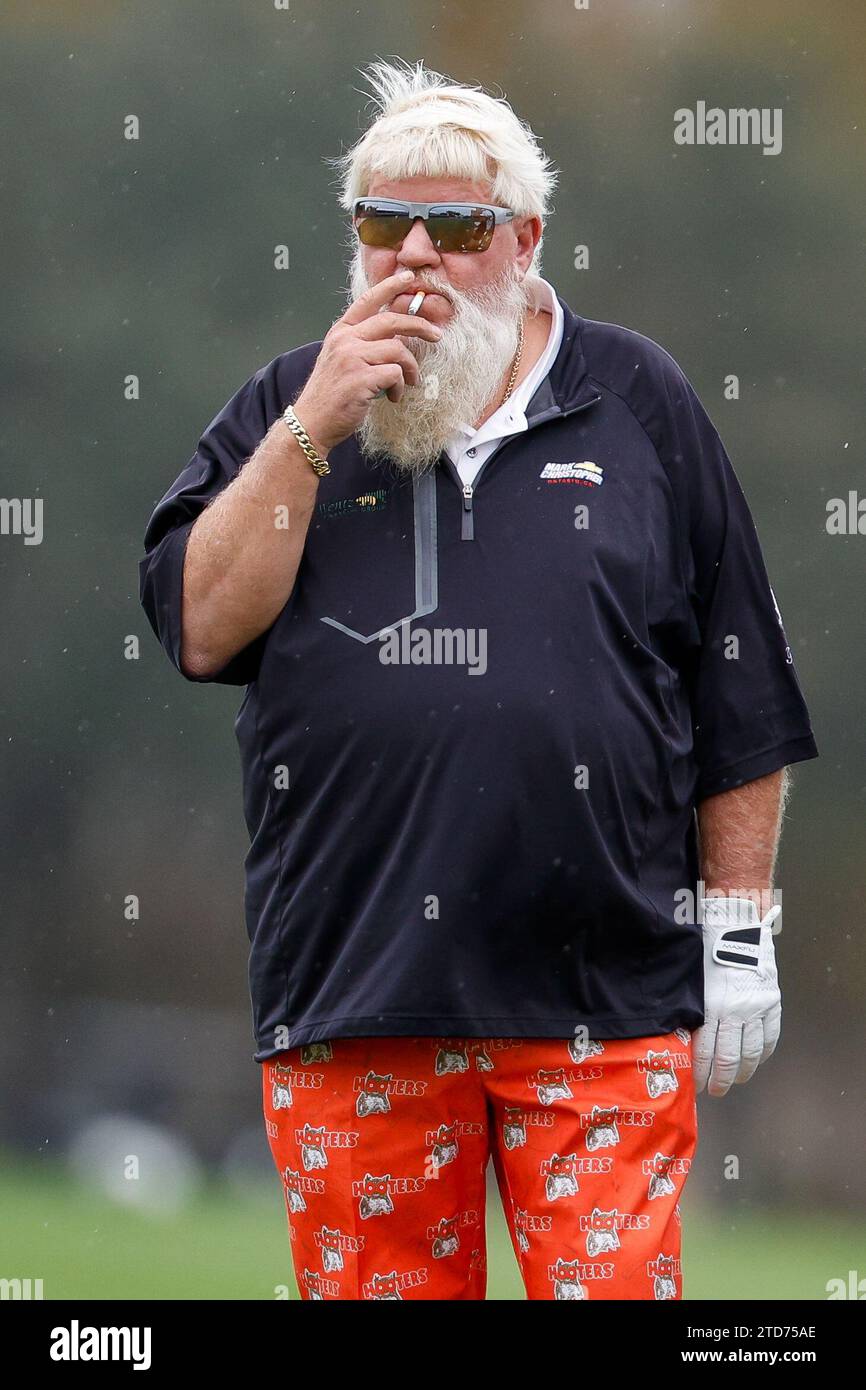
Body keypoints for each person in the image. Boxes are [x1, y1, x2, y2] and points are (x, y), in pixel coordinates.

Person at [138, 58, 818, 1300]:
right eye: (380, 223)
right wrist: (311, 425)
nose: (413, 254)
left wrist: (735, 935)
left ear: (522, 238)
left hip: (603, 1002)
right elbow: (196, 625)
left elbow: (740, 689)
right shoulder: (290, 410)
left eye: (452, 225)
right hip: (357, 997)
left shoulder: (640, 402)